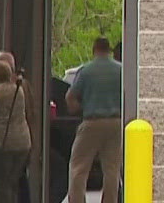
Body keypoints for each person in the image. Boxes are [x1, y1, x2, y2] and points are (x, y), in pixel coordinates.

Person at [65, 36, 124, 203]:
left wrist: (79, 108)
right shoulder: (120, 70)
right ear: (109, 50)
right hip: (115, 123)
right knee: (112, 169)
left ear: (94, 49)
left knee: (79, 167)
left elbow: (70, 97)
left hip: (92, 122)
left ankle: (77, 200)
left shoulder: (86, 71)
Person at [0, 58, 35, 203]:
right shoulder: (19, 91)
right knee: (14, 182)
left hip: (2, 143)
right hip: (23, 142)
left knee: (1, 184)